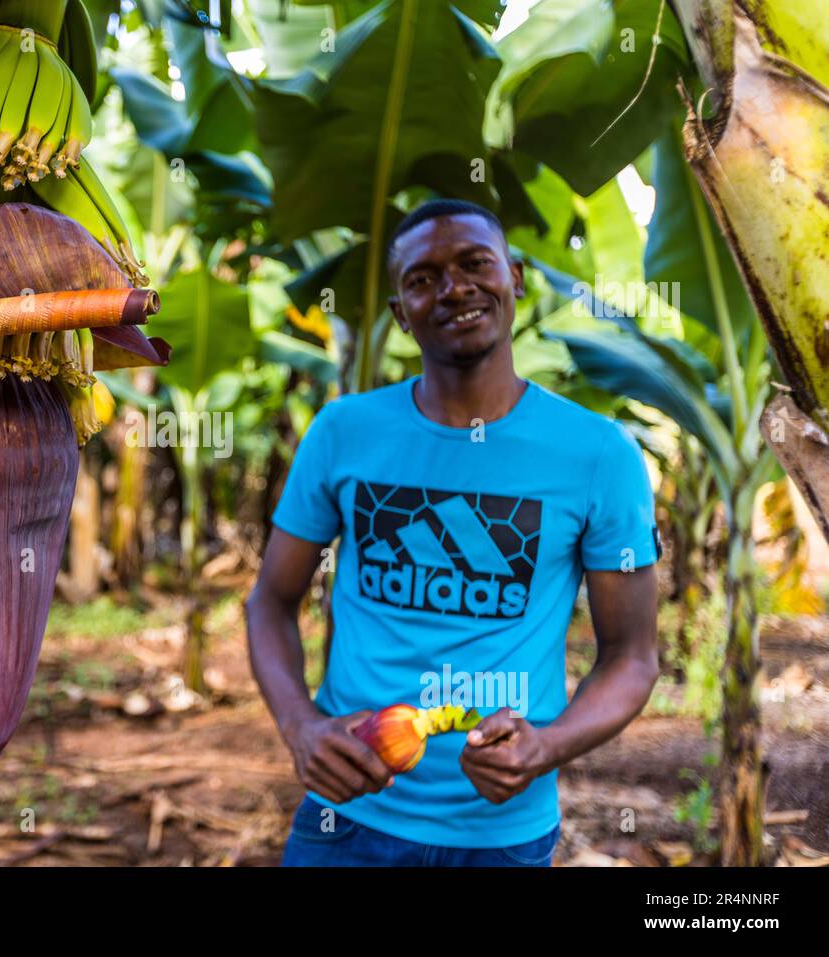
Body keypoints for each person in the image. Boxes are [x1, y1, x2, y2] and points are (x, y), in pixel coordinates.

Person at [245, 199, 662, 867]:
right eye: (423, 278)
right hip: (344, 820)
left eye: (474, 264)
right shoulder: (344, 432)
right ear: (398, 312)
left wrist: (546, 746)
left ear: (516, 276)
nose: (454, 289)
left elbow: (632, 655)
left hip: (500, 833)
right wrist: (300, 726)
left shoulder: (598, 453)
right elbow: (270, 601)